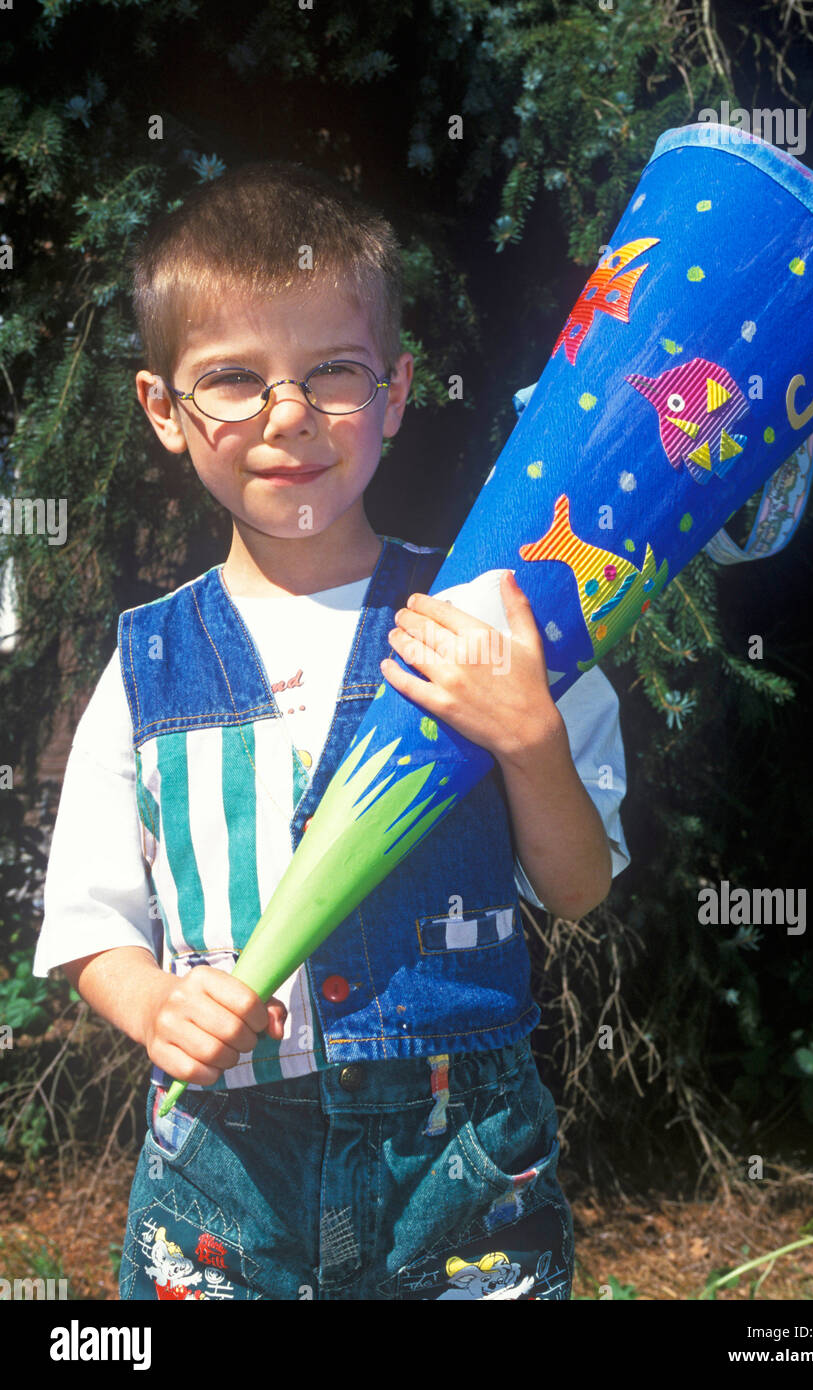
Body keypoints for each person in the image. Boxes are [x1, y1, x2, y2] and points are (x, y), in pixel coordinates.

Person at [33, 162, 630, 1301]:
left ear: (397, 393)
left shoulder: (488, 625)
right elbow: (90, 923)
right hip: (224, 1172)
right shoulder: (147, 660)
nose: (288, 416)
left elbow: (578, 883)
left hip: (462, 1165)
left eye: (331, 375)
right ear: (164, 409)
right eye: (234, 380)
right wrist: (156, 1005)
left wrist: (529, 738)